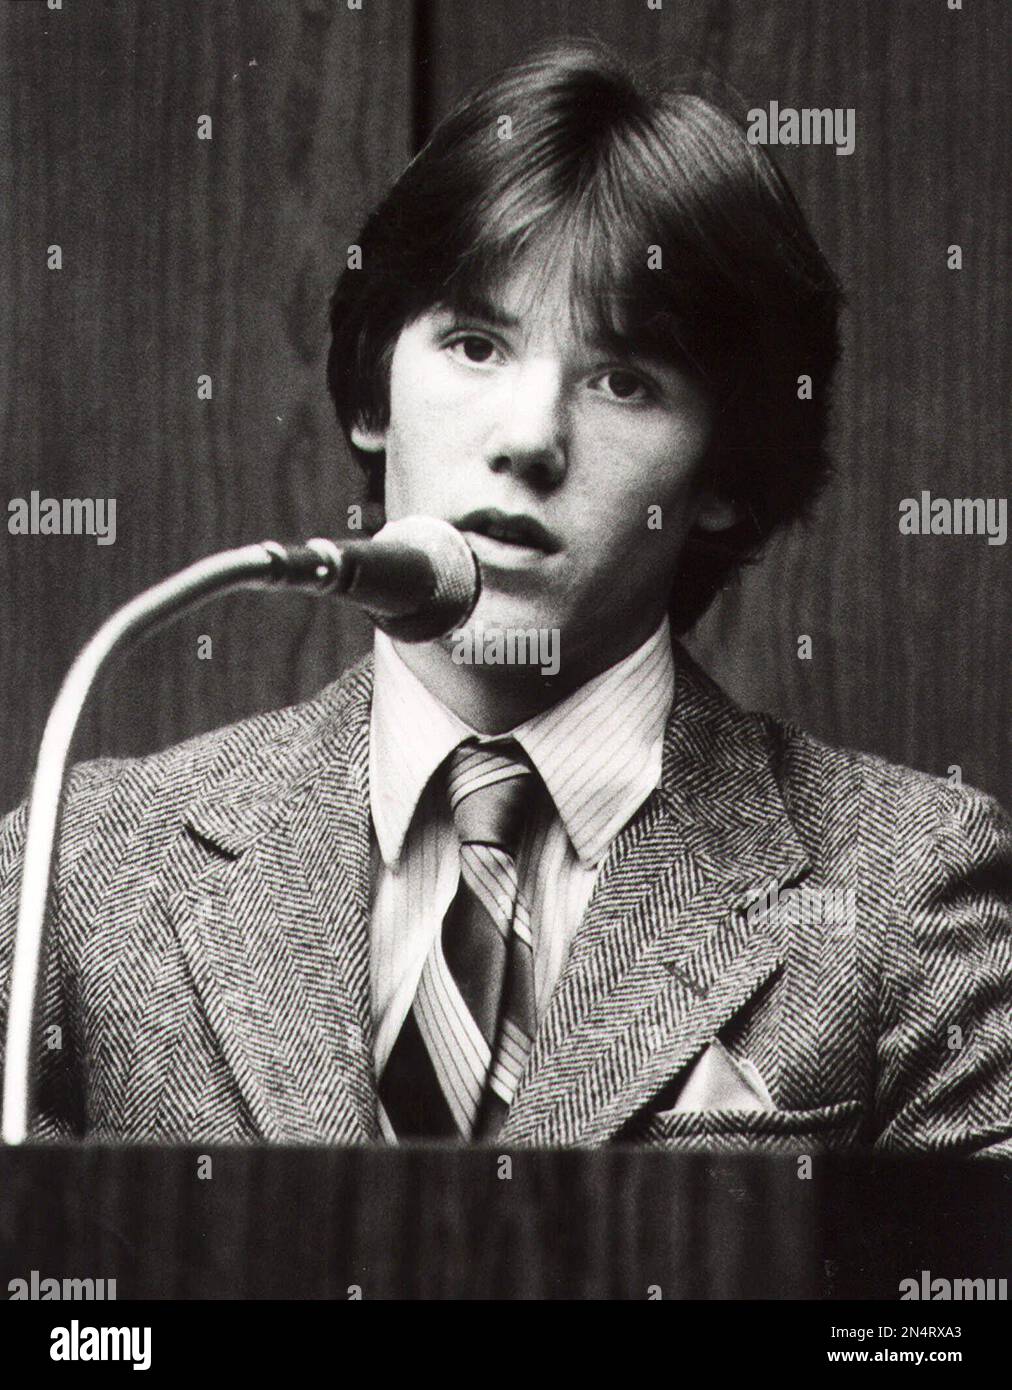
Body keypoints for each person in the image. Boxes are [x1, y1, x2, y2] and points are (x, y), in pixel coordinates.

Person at [1, 41, 1009, 1154]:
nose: (529, 438)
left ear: (724, 476)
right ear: (375, 388)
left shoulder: (908, 885)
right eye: (475, 346)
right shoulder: (87, 866)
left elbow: (941, 1330)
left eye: (624, 380)